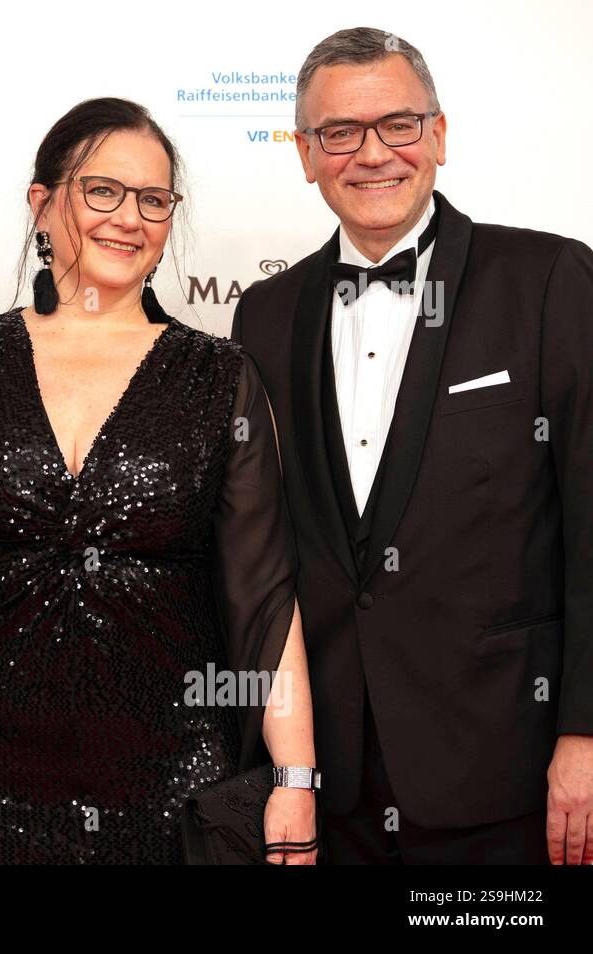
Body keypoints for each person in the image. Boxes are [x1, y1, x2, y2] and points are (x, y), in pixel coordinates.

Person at [0, 97, 319, 864]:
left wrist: (296, 777)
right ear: (43, 204)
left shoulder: (220, 380)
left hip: (175, 789)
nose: (129, 219)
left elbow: (266, 595)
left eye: (153, 200)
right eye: (103, 191)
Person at [233, 27, 593, 864]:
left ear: (438, 135)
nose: (372, 154)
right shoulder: (266, 314)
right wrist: (286, 766)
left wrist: (585, 733)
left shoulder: (548, 280)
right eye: (340, 132)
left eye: (397, 124)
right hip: (331, 779)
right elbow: (264, 550)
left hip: (508, 768)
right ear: (306, 153)